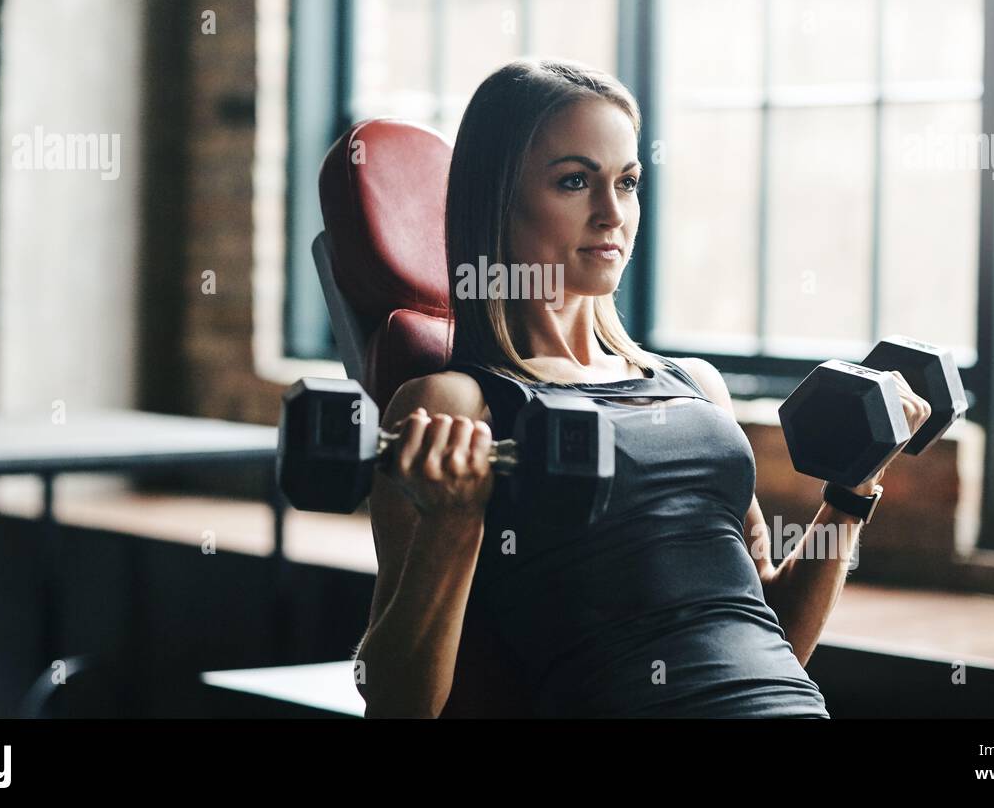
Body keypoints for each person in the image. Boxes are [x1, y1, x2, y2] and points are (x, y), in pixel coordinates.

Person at [352, 58, 931, 718]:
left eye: (626, 183)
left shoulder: (697, 386)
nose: (612, 213)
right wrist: (451, 525)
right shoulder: (460, 408)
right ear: (499, 200)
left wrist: (852, 492)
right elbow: (397, 705)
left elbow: (774, 638)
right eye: (575, 181)